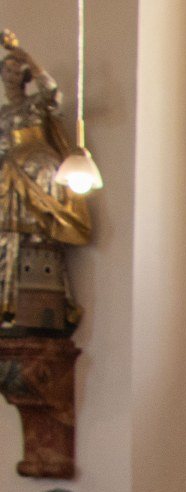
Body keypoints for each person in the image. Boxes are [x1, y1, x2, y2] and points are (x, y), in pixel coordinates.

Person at [0, 31, 90, 334]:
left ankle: (40, 245)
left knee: (39, 231)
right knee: (7, 226)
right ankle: (7, 299)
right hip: (10, 170)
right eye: (7, 70)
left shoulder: (36, 104)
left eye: (16, 70)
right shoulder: (3, 114)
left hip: (37, 166)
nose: (10, 76)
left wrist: (26, 55)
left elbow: (52, 91)